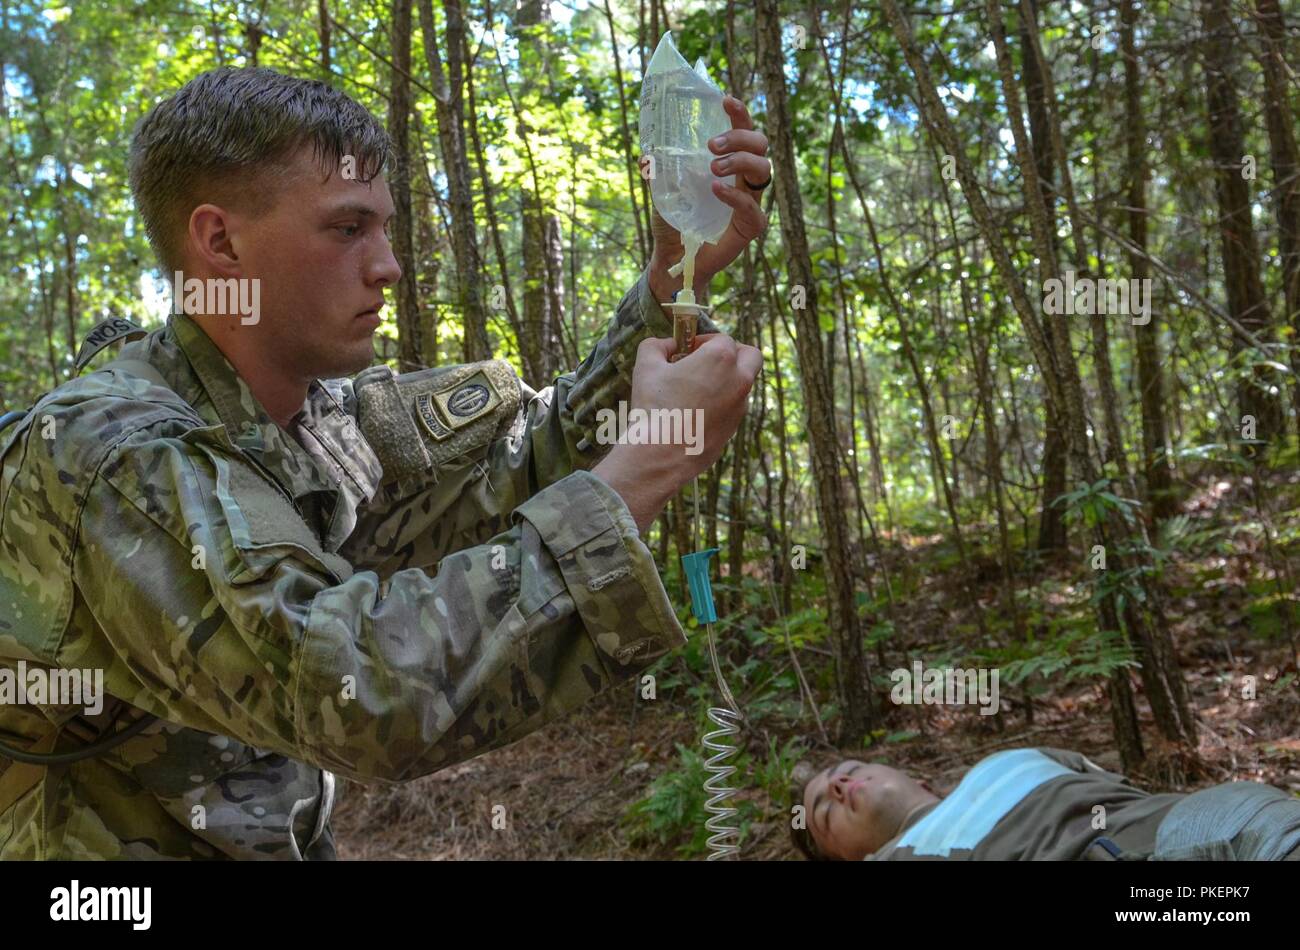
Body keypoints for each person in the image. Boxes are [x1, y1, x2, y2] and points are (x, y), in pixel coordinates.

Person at [0, 66, 771, 859]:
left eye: (385, 228)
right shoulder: (110, 458)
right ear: (221, 241)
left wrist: (671, 276)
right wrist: (644, 469)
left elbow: (518, 470)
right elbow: (354, 690)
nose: (388, 265)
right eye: (346, 229)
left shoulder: (303, 421)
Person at [793, 747, 1300, 860]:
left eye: (850, 772)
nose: (840, 787)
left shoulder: (1014, 759)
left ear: (920, 779)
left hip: (1185, 832)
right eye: (824, 811)